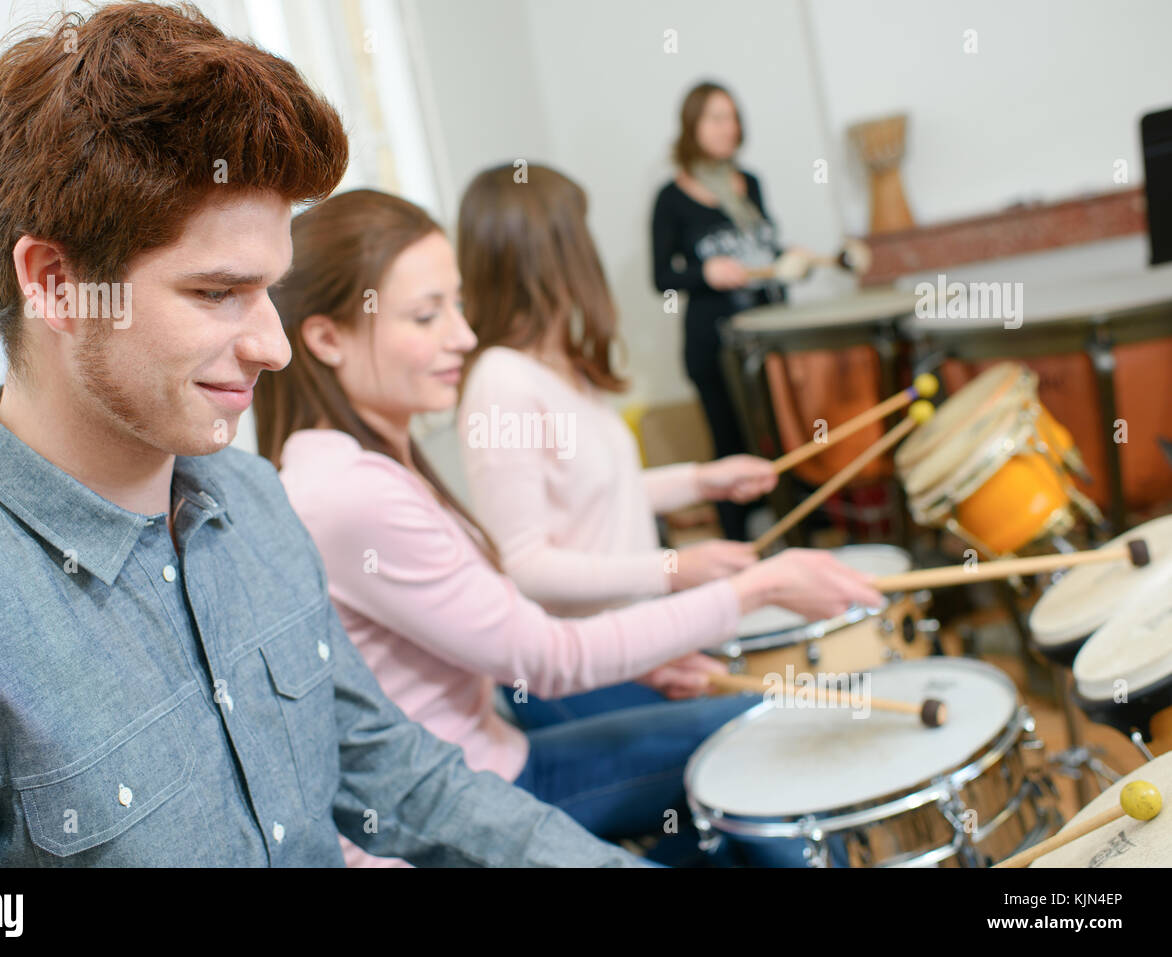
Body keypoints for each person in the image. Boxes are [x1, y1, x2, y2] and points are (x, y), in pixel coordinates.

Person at [0, 1, 645, 867]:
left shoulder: (258, 504)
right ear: (56, 282)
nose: (273, 346)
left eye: (271, 291)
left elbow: (393, 777)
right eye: (215, 293)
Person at [253, 188, 884, 866]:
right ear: (325, 338)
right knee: (769, 746)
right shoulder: (349, 489)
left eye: (457, 306)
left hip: (497, 758)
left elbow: (507, 617)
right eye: (426, 315)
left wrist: (667, 617)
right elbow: (542, 653)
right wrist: (753, 588)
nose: (462, 336)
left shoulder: (367, 462)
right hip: (468, 798)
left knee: (760, 755)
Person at [456, 162, 776, 726]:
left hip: (630, 647)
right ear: (553, 251)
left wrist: (702, 480)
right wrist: (672, 569)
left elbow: (597, 495)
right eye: (581, 232)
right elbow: (524, 563)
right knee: (761, 722)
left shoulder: (561, 365)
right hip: (579, 672)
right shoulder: (501, 381)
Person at [651, 81, 791, 542]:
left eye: (731, 116)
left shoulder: (749, 183)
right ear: (692, 126)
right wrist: (704, 272)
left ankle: (793, 532)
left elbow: (763, 251)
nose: (726, 127)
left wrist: (790, 263)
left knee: (778, 438)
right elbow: (662, 278)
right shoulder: (671, 198)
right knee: (729, 446)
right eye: (715, 117)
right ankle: (739, 547)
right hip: (713, 345)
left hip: (767, 338)